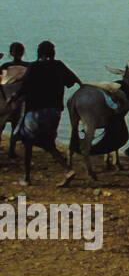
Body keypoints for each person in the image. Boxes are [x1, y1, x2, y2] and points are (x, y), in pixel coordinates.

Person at [12, 41, 81, 185]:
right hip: (55, 113)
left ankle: (27, 177)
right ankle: (67, 169)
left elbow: (24, 87)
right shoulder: (59, 65)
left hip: (36, 112)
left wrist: (13, 97)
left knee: (28, 140)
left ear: (39, 52)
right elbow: (71, 81)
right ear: (52, 52)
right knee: (48, 142)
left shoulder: (34, 67)